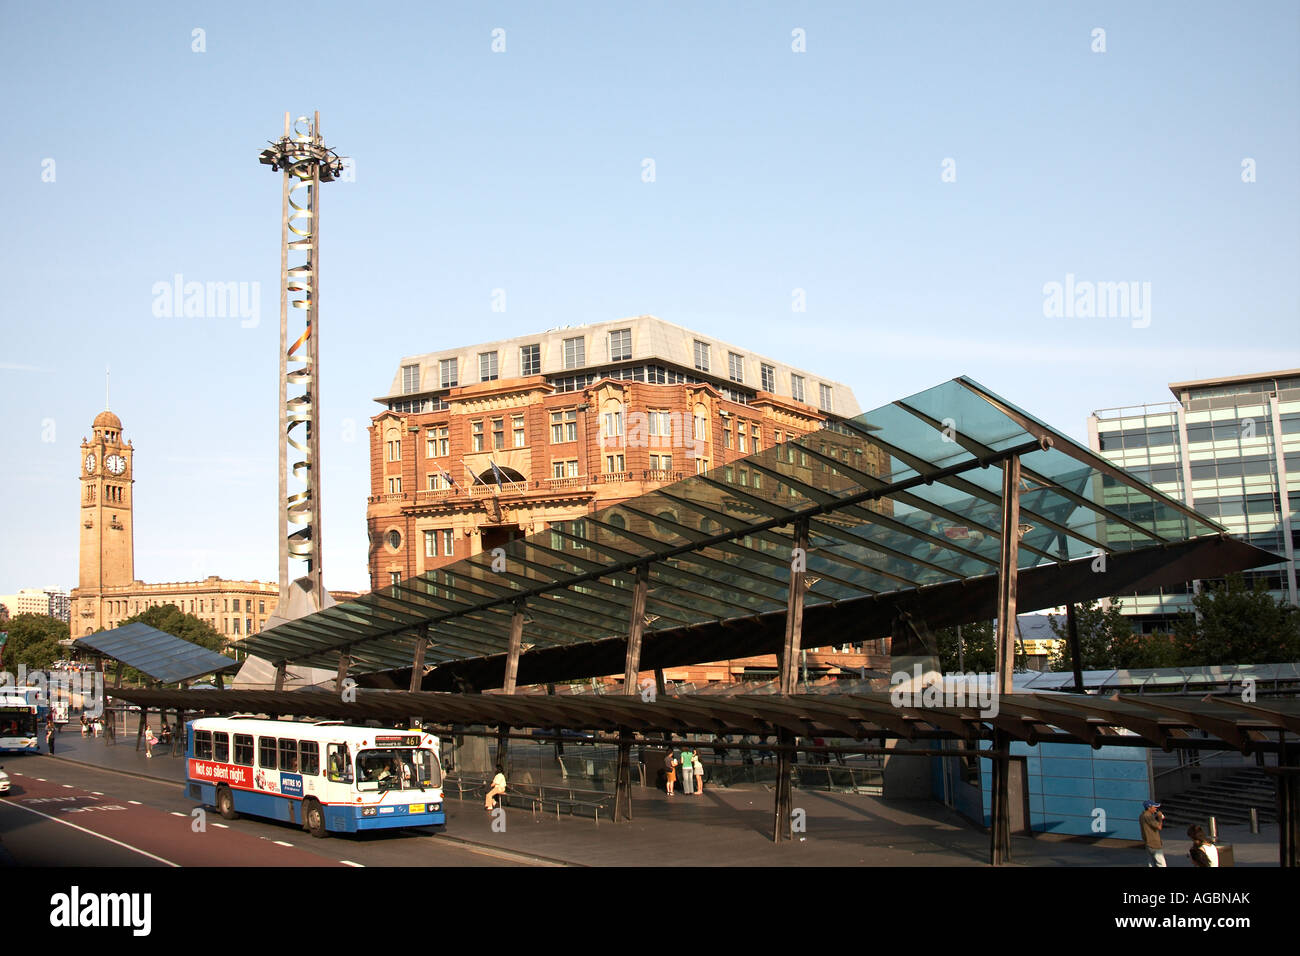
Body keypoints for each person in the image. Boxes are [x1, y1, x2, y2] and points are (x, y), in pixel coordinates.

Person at [1140, 800, 1165, 867]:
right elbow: (1159, 827)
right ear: (1149, 807)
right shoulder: (1148, 816)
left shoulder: (1142, 815)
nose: (1156, 809)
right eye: (1154, 807)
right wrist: (1160, 818)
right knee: (1161, 864)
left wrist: (1155, 816)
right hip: (1154, 843)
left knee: (1151, 863)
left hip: (1148, 842)